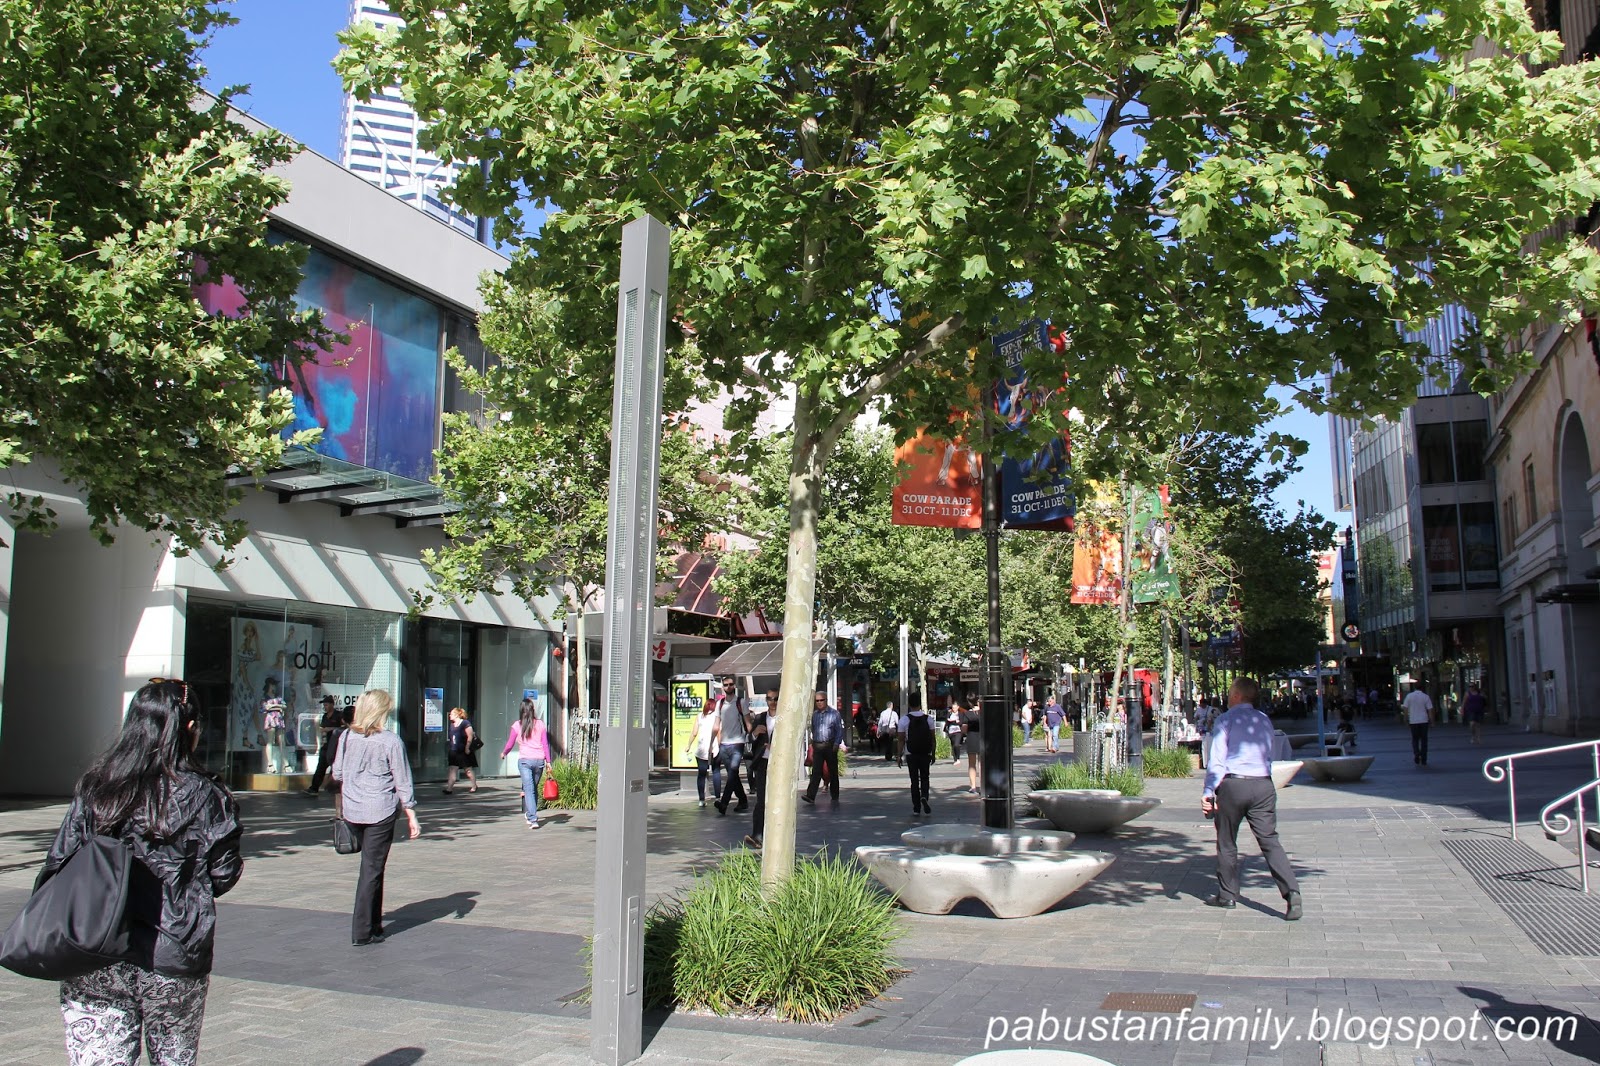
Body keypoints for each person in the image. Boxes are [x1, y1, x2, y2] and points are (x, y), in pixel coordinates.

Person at [41, 680, 242, 1066]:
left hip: (94, 946)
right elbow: (224, 874)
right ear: (188, 729)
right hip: (172, 952)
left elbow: (60, 860)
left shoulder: (98, 787)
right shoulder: (208, 795)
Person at [1201, 677, 1301, 920]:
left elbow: (1217, 760)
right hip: (1263, 784)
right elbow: (1268, 753)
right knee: (1269, 840)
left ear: (1236, 696)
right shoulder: (1264, 720)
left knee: (1226, 841)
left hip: (1234, 784)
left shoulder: (1225, 720)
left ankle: (1227, 894)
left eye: (1229, 692)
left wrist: (1208, 791)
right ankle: (1292, 893)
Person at [331, 689, 421, 945]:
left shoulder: (347, 737)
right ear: (382, 711)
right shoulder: (390, 741)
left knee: (373, 867)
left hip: (353, 809)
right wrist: (411, 813)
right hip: (379, 810)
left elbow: (337, 773)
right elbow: (403, 780)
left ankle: (375, 924)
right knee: (371, 869)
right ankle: (361, 931)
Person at [503, 697, 551, 828]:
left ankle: (532, 818)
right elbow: (545, 744)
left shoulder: (517, 725)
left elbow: (510, 743)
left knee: (529, 790)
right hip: (539, 761)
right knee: (532, 788)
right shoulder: (540, 724)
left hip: (525, 761)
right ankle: (531, 814)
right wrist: (548, 761)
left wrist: (504, 753)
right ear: (532, 710)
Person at [744, 687, 778, 848]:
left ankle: (775, 836)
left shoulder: (784, 719)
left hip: (778, 764)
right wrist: (755, 733)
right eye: (769, 699)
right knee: (761, 800)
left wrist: (776, 747)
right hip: (763, 762)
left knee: (777, 801)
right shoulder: (760, 717)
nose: (772, 702)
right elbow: (749, 739)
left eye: (776, 699)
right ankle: (757, 835)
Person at [710, 676, 749, 815]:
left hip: (737, 743)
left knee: (733, 772)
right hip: (724, 744)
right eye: (726, 685)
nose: (729, 687)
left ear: (734, 686)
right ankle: (743, 800)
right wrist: (712, 744)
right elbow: (716, 726)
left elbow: (747, 722)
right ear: (722, 687)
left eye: (731, 684)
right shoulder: (719, 704)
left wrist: (754, 736)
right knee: (734, 775)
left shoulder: (741, 702)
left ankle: (724, 803)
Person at [801, 691, 846, 806]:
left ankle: (835, 795)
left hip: (830, 746)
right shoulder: (815, 715)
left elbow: (839, 731)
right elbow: (814, 729)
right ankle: (810, 795)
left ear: (826, 700)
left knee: (832, 771)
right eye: (817, 701)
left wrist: (836, 744)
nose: (819, 703)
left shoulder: (834, 714)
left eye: (822, 700)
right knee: (816, 772)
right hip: (818, 746)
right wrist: (813, 742)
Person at [685, 697, 722, 808]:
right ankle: (717, 797)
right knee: (716, 772)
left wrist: (689, 745)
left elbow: (694, 732)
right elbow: (719, 732)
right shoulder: (717, 717)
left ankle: (701, 799)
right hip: (715, 748)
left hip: (701, 749)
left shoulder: (700, 716)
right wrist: (719, 745)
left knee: (701, 774)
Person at [305, 694, 343, 796]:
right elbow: (322, 728)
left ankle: (334, 788)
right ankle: (314, 788)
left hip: (336, 746)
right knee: (321, 767)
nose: (325, 707)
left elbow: (343, 729)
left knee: (335, 768)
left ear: (331, 705)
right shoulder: (324, 717)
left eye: (326, 705)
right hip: (326, 745)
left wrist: (330, 729)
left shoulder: (339, 715)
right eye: (324, 705)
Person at [902, 697, 935, 815]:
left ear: (910, 705)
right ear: (920, 705)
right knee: (925, 777)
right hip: (925, 753)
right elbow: (933, 738)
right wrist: (933, 753)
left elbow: (901, 739)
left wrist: (898, 756)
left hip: (911, 753)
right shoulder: (928, 719)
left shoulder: (904, 720)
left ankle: (916, 807)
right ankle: (924, 796)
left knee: (914, 780)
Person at [443, 706, 479, 794]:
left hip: (463, 751)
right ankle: (449, 789)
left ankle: (474, 786)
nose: (449, 716)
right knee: (453, 769)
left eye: (451, 714)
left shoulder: (465, 723)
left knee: (468, 770)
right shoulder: (452, 725)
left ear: (456, 715)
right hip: (454, 750)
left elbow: (470, 736)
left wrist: (467, 747)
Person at [1403, 682, 1434, 765]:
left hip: (1413, 721)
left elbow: (1405, 709)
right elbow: (1430, 710)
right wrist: (1431, 721)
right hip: (1424, 720)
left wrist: (1406, 719)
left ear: (1414, 687)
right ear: (1422, 688)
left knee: (1415, 739)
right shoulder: (1425, 697)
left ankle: (1416, 753)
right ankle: (1424, 759)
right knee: (1424, 740)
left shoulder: (1409, 696)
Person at [961, 699, 983, 795]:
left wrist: (965, 732)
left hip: (971, 738)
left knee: (972, 764)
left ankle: (973, 786)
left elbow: (964, 729)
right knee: (981, 764)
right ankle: (983, 786)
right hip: (982, 738)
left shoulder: (967, 714)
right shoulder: (984, 713)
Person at [1462, 681, 1487, 746]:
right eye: (1469, 686)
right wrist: (1462, 710)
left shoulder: (1479, 693)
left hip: (1479, 710)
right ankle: (1473, 736)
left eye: (1472, 686)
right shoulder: (1467, 693)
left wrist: (1483, 696)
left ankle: (1478, 738)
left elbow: (1485, 698)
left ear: (1475, 687)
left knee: (1478, 725)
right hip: (1471, 710)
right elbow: (1464, 702)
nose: (1471, 688)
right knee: (1472, 724)